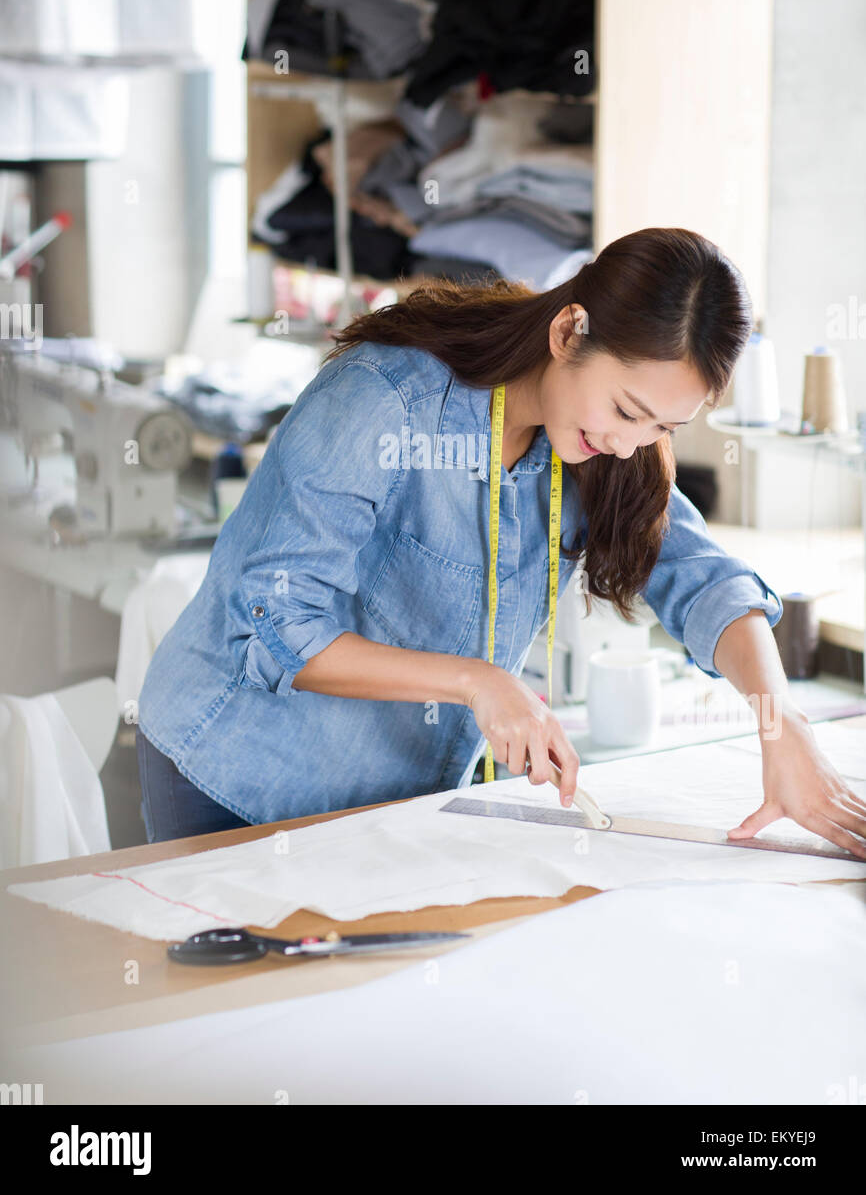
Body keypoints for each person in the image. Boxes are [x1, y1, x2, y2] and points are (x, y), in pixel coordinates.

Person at [135, 227, 866, 859]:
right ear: (568, 332)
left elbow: (704, 578)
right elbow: (275, 623)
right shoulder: (384, 402)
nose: (628, 443)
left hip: (394, 796)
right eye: (626, 409)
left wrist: (782, 725)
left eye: (662, 429)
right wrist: (481, 682)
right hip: (235, 768)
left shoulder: (600, 448)